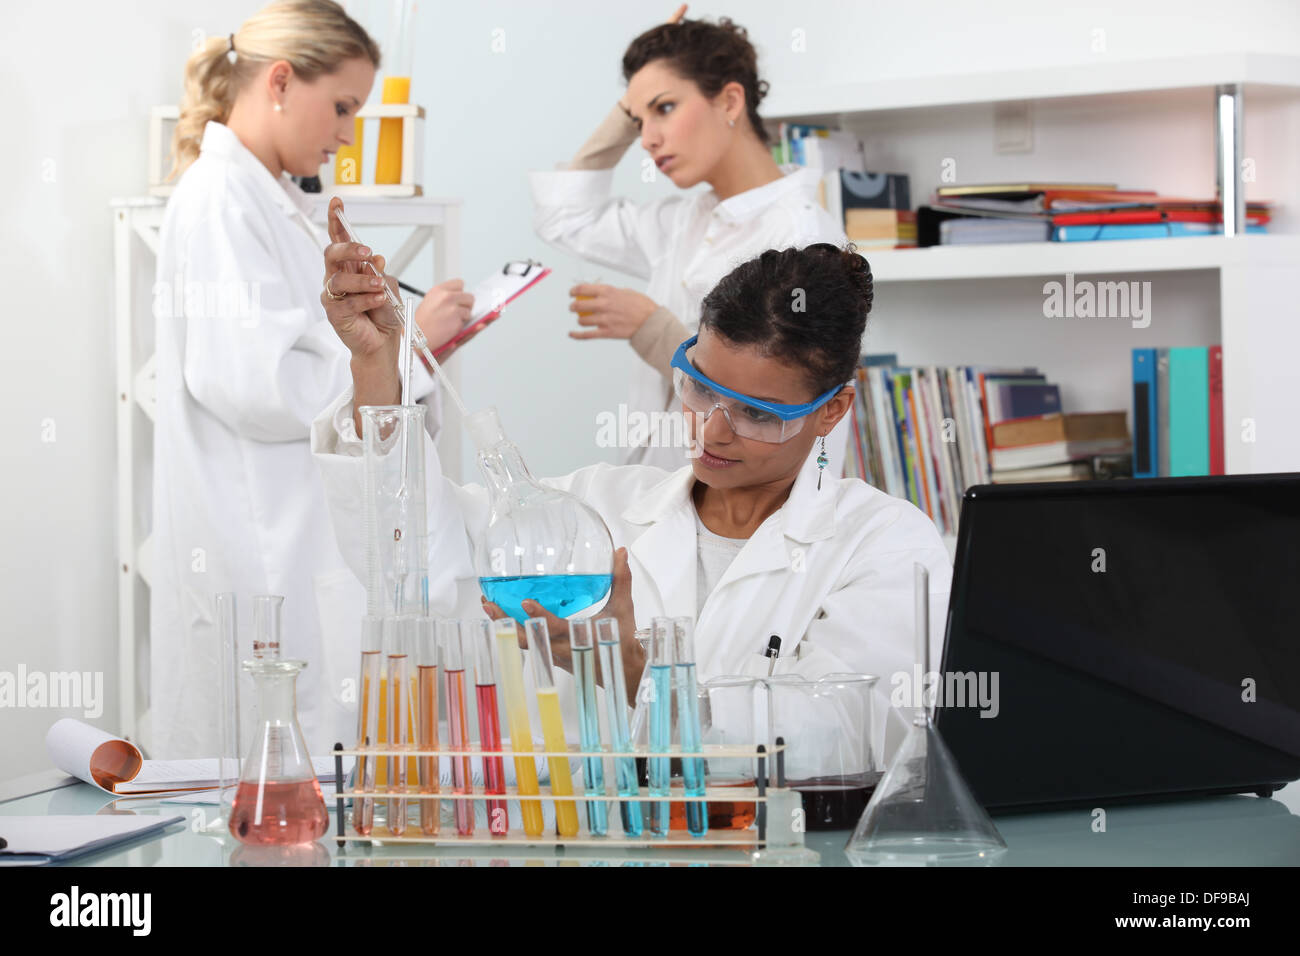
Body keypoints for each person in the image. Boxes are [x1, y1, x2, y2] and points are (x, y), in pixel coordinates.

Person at [312, 236, 951, 765]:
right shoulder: (597, 505)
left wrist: (636, 670)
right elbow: (414, 557)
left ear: (833, 409)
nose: (714, 429)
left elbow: (848, 738)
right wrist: (376, 368)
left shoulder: (886, 546)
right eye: (699, 389)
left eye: (758, 412)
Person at [151, 0, 474, 758]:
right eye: (342, 107)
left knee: (313, 746)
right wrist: (404, 352)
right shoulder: (219, 199)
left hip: (298, 525)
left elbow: (303, 346)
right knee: (269, 759)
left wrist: (390, 333)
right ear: (282, 81)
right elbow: (252, 382)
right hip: (260, 532)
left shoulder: (272, 198)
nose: (347, 133)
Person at [529, 7, 851, 478]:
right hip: (657, 501)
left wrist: (653, 329)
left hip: (744, 518)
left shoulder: (804, 239)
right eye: (637, 122)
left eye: (664, 108)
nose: (646, 140)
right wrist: (630, 107)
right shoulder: (685, 221)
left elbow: (776, 400)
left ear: (729, 101)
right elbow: (564, 216)